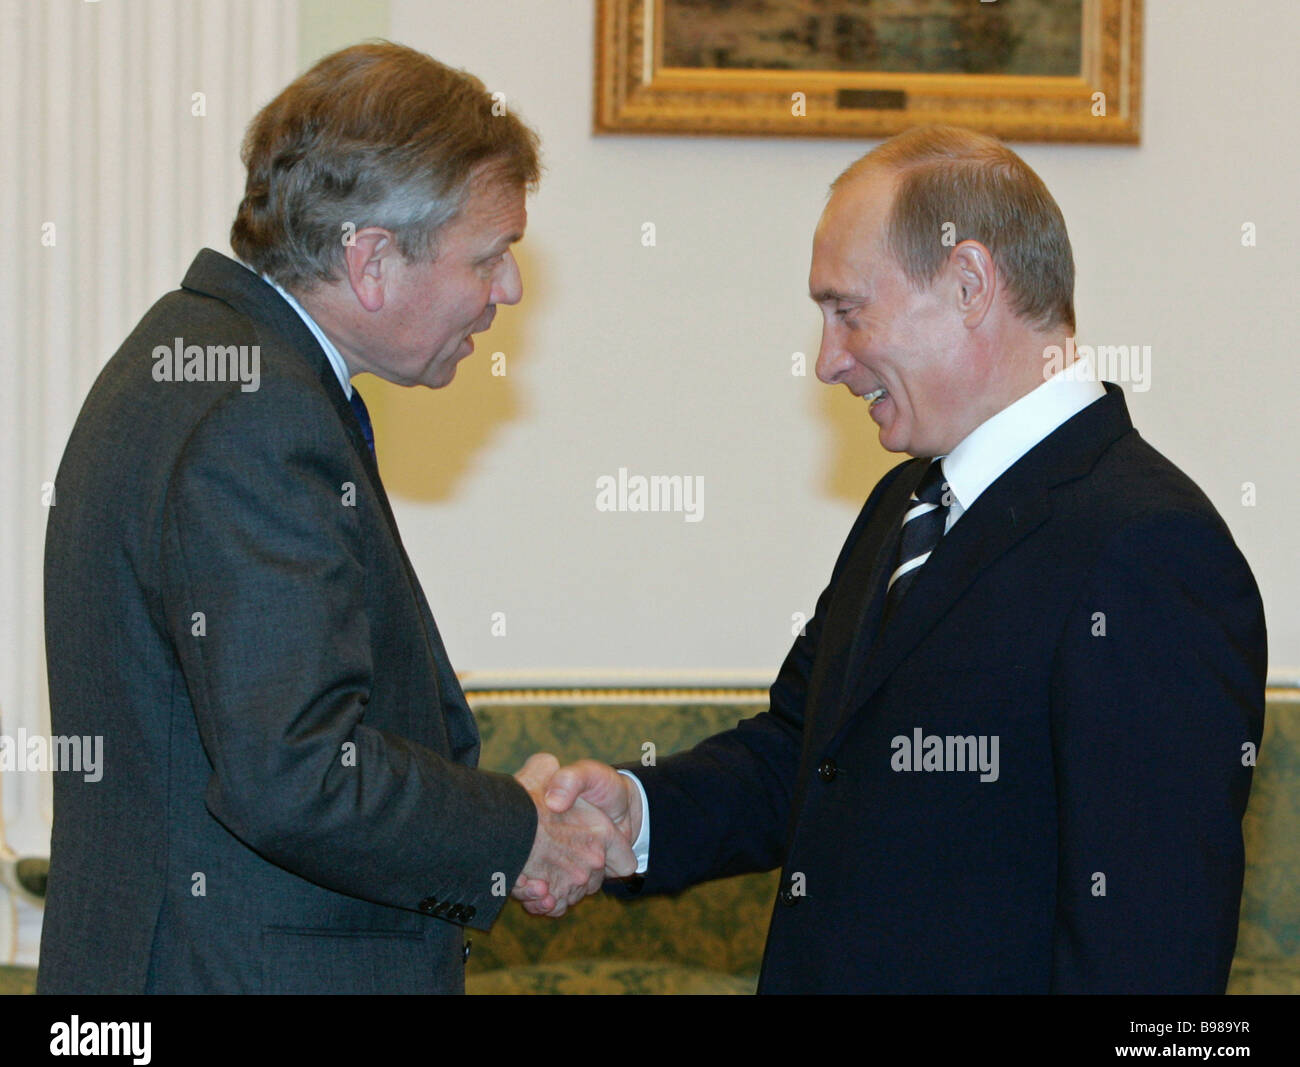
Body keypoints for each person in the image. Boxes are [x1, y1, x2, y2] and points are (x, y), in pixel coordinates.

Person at [521, 126, 1268, 994]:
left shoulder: (1147, 547)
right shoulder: (908, 502)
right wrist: (637, 813)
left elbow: (1153, 950)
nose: (828, 360)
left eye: (848, 310)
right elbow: (805, 755)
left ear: (969, 283)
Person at [39, 41, 632, 995]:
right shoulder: (256, 413)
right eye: (489, 256)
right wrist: (518, 835)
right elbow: (296, 772)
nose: (509, 290)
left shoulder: (194, 355)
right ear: (370, 259)